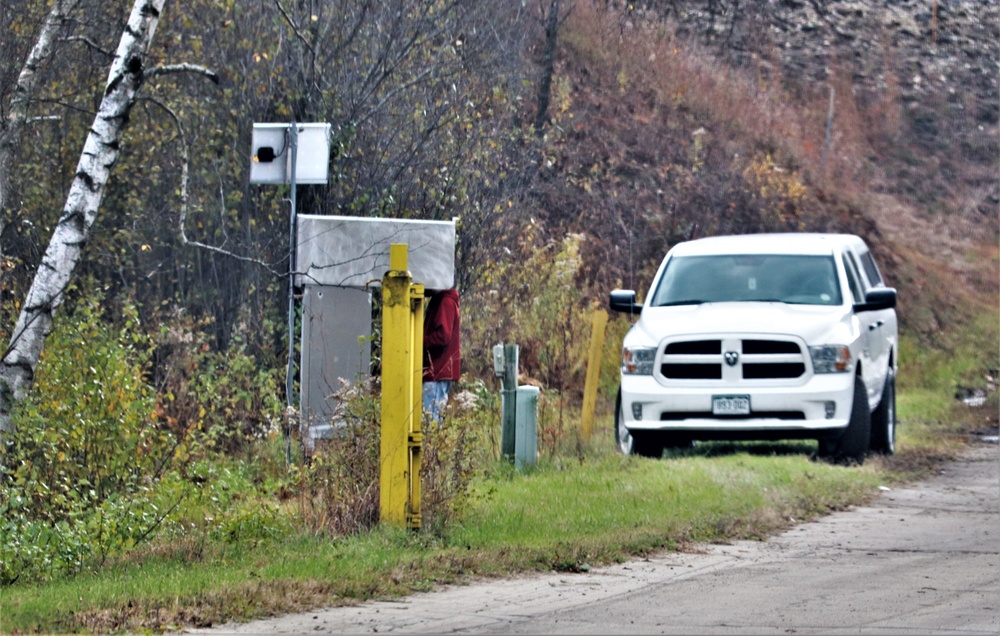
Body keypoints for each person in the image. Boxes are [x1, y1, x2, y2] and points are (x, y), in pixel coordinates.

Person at [422, 288, 460, 422]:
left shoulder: (445, 301)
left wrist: (420, 341)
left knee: (431, 419)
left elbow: (443, 336)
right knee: (434, 418)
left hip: (437, 370)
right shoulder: (442, 299)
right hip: (439, 370)